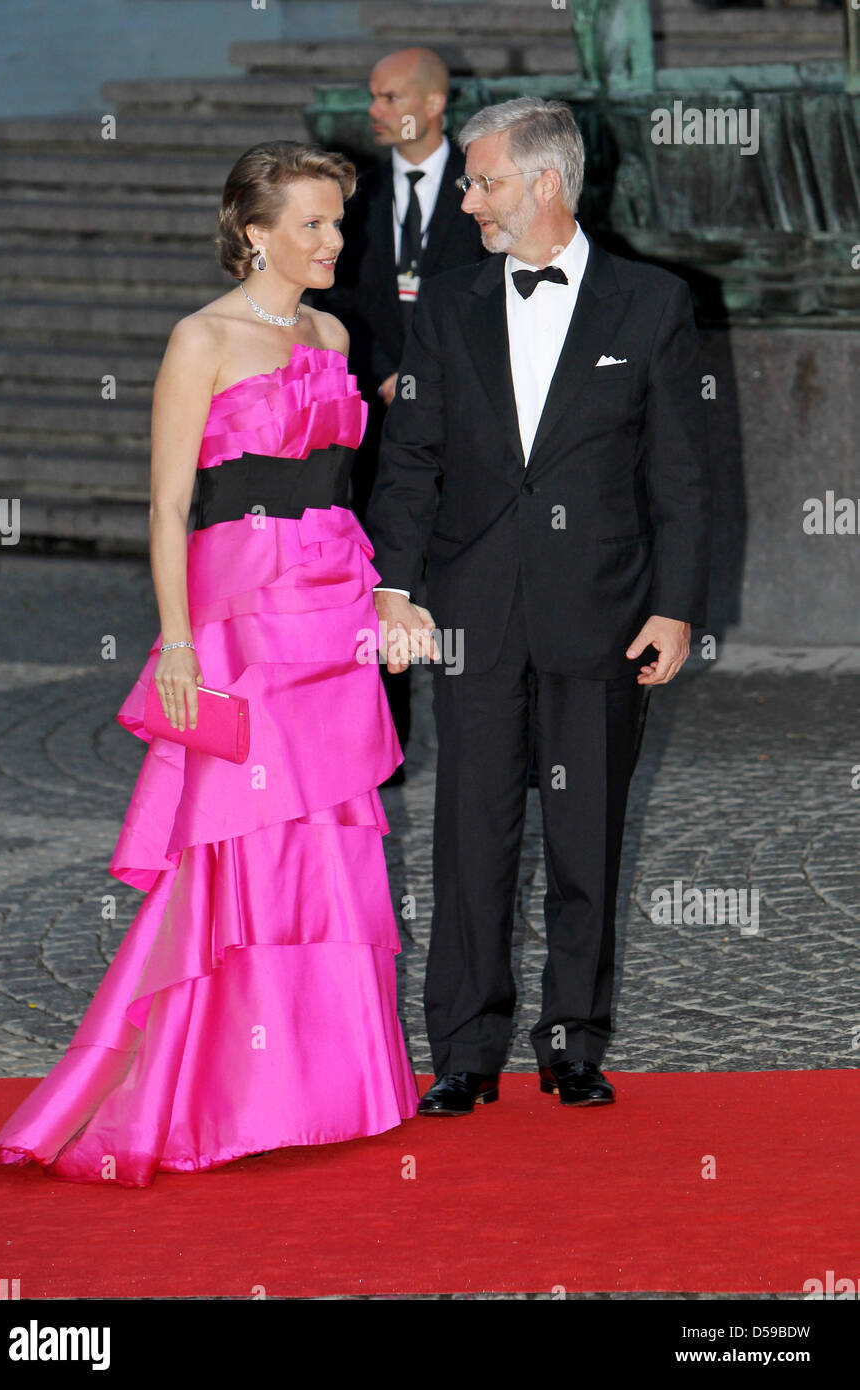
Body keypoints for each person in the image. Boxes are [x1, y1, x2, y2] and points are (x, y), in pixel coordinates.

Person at [0, 141, 419, 1187]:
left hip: (332, 600)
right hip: (239, 610)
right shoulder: (201, 338)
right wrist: (175, 643)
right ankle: (210, 1086)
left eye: (337, 222)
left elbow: (344, 478)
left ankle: (328, 1084)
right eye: (312, 223)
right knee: (236, 837)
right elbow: (170, 504)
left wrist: (388, 597)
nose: (332, 241)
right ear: (253, 231)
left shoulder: (332, 329)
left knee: (325, 831)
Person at [364, 98, 711, 1116]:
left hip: (599, 610)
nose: (467, 200)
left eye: (482, 182)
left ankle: (573, 1039)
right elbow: (410, 460)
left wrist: (676, 606)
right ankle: (464, 1049)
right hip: (470, 613)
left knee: (585, 829)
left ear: (545, 183)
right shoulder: (446, 301)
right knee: (468, 831)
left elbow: (682, 474)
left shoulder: (651, 303)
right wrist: (392, 588)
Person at [322, 46, 487, 776]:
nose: (376, 111)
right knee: (382, 574)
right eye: (373, 96)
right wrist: (385, 372)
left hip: (472, 419)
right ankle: (381, 746)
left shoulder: (481, 187)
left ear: (434, 102)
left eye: (389, 97)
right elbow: (337, 300)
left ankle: (484, 733)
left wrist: (433, 378)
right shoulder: (354, 201)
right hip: (379, 417)